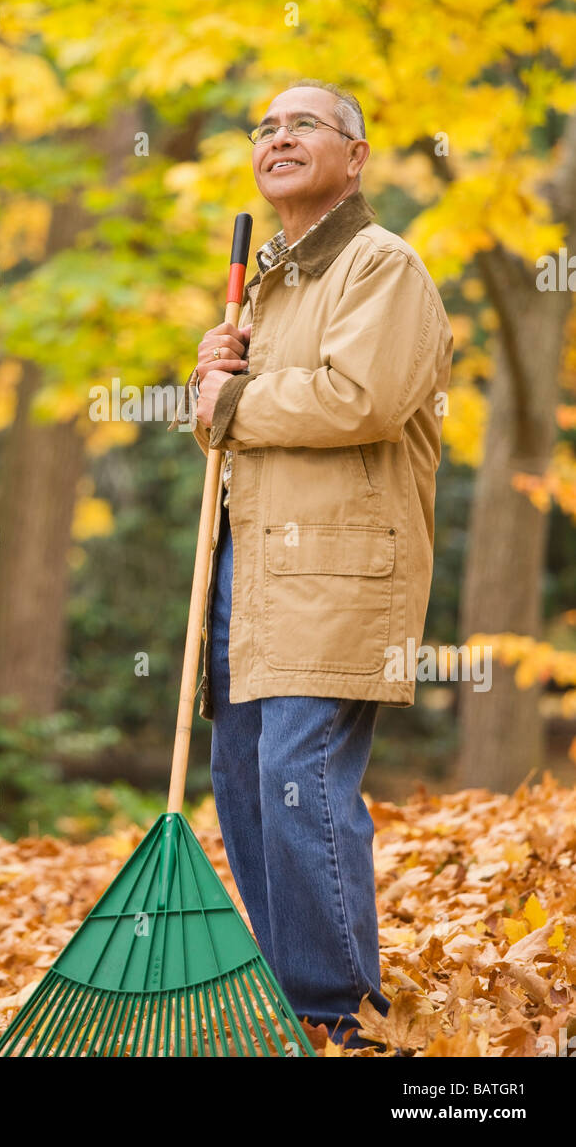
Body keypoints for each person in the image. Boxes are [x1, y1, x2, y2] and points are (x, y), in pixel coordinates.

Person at [181, 79, 453, 1047]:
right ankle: (297, 998)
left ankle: (336, 1009)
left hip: (337, 578)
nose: (276, 136)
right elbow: (234, 424)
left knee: (299, 775)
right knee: (249, 779)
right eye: (263, 127)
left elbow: (358, 399)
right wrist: (208, 377)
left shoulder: (379, 266)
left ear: (355, 153)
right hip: (248, 580)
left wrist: (229, 401)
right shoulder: (269, 281)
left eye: (302, 122)